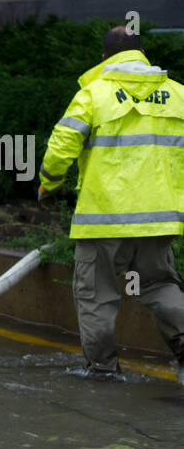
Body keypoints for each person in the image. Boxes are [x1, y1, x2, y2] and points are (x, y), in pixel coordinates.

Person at [39, 25, 184, 380]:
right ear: (143, 54)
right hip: (158, 219)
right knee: (160, 285)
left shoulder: (94, 94)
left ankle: (103, 371)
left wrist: (49, 184)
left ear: (105, 58)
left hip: (103, 219)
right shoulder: (178, 95)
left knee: (96, 295)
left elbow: (61, 146)